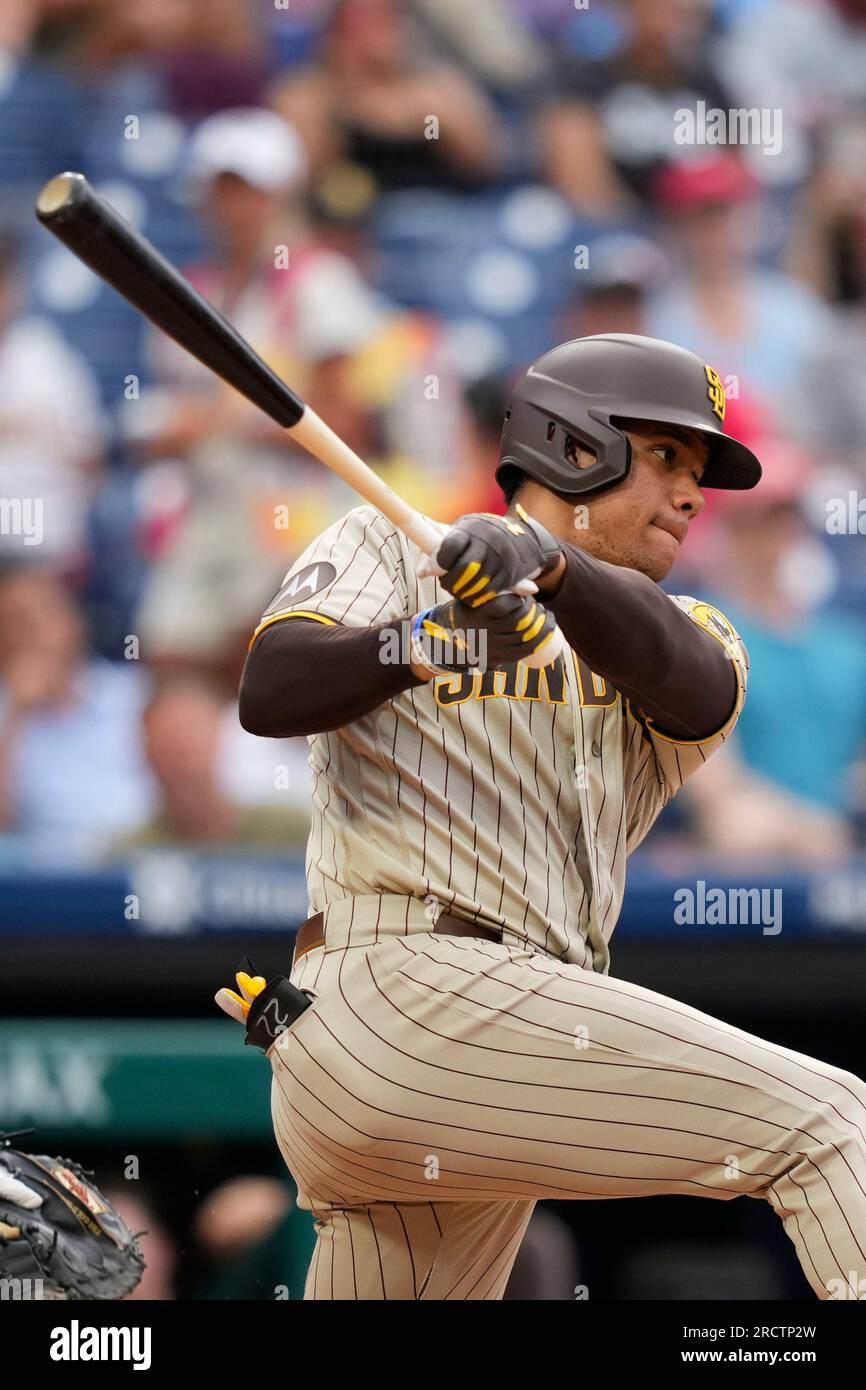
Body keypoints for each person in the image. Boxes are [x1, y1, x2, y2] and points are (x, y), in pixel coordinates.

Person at [236, 333, 866, 1301]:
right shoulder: (388, 549)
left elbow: (686, 683)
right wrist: (425, 643)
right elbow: (268, 689)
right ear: (575, 448)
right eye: (664, 459)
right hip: (398, 991)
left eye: (697, 473)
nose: (691, 496)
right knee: (833, 1126)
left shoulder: (686, 631)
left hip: (484, 1057)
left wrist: (548, 566)